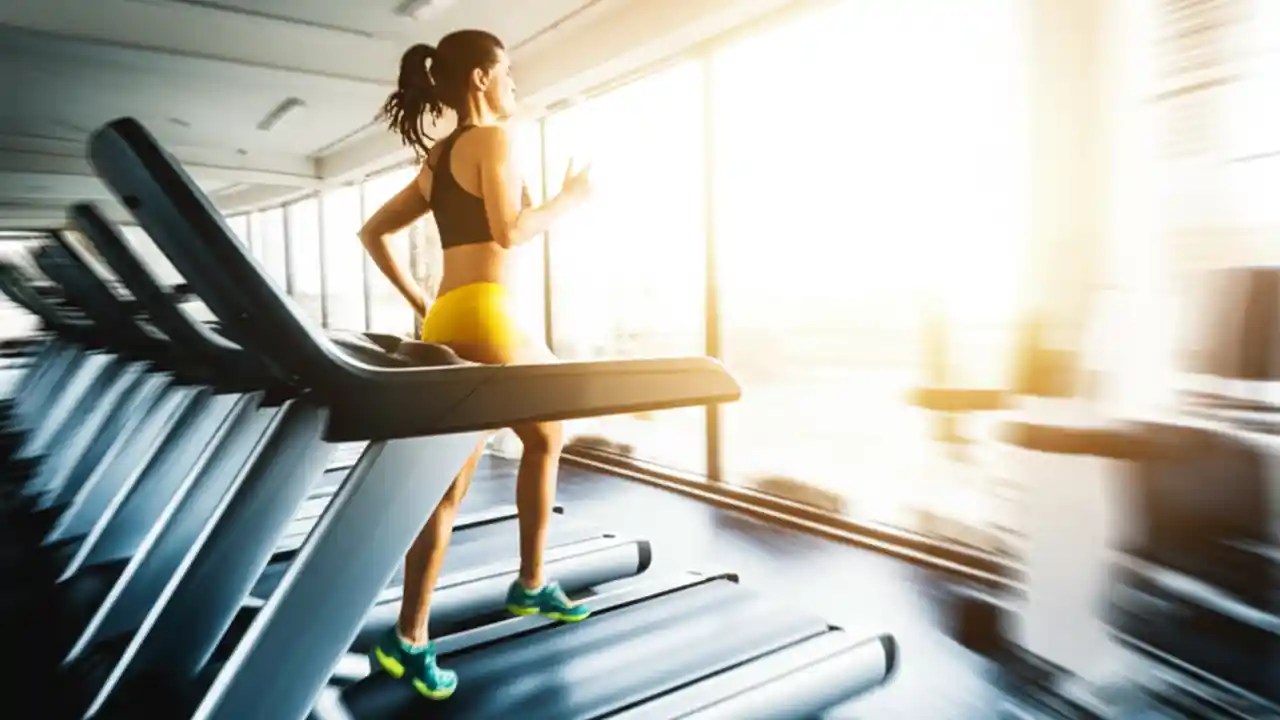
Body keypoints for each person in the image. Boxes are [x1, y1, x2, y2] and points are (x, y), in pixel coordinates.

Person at [355, 31, 594, 700]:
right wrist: (569, 201)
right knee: (549, 434)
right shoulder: (493, 140)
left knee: (452, 488)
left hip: (447, 318)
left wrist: (418, 300)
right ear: (483, 79)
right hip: (491, 315)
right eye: (509, 72)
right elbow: (510, 231)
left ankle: (409, 638)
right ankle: (530, 583)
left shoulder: (439, 156)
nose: (515, 83)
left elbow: (372, 232)